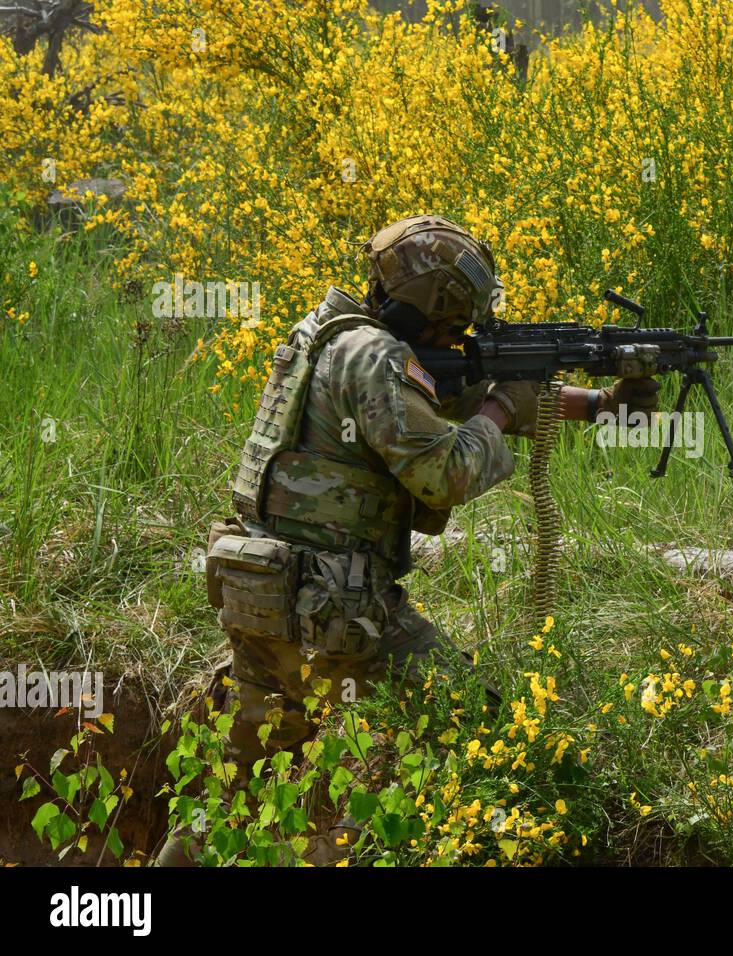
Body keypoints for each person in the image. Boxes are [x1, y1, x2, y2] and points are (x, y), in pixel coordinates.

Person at [155, 215, 658, 864]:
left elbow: (439, 394)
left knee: (232, 790)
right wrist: (504, 409)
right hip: (331, 611)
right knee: (493, 739)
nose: (462, 336)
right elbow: (442, 473)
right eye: (455, 323)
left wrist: (597, 405)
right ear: (433, 308)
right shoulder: (376, 356)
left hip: (260, 599)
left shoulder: (326, 332)